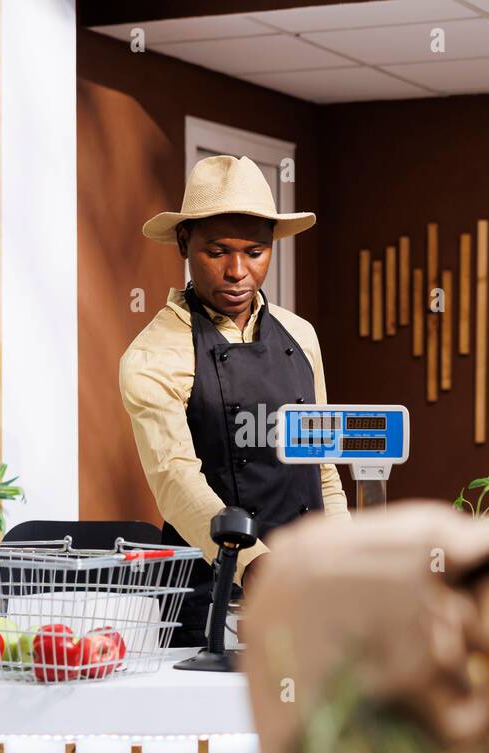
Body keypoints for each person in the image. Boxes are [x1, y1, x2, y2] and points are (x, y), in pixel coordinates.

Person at [120, 155, 350, 645]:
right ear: (184, 243)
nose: (237, 271)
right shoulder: (153, 354)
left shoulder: (301, 336)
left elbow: (323, 466)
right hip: (210, 596)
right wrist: (253, 566)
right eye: (217, 251)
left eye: (255, 251)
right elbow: (174, 480)